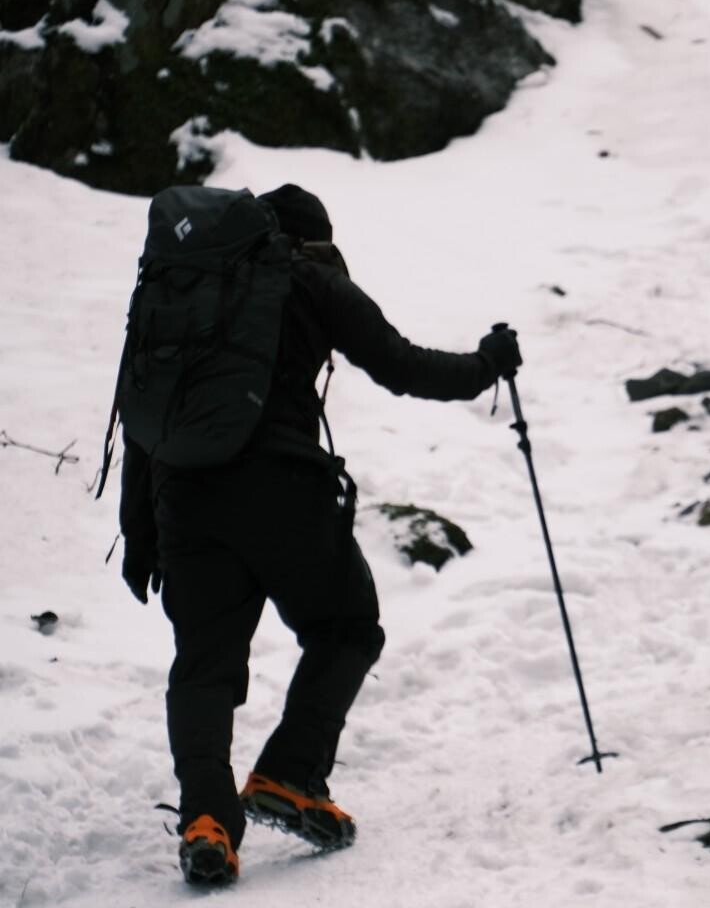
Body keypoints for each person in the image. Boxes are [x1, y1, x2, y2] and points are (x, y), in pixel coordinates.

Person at [115, 184, 522, 885]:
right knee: (348, 627)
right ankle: (291, 775)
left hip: (183, 498)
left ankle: (208, 820)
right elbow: (405, 367)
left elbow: (142, 410)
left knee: (205, 665)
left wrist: (141, 531)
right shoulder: (309, 280)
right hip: (283, 492)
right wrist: (488, 364)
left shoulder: (182, 293)